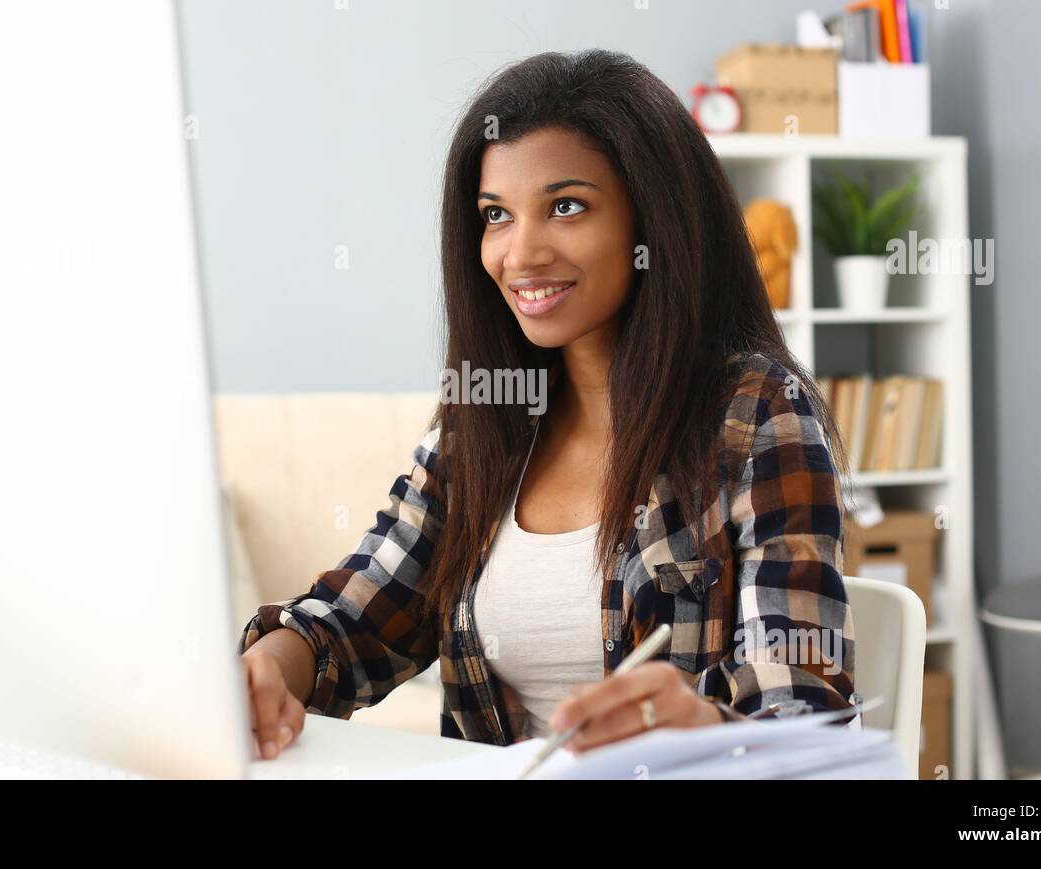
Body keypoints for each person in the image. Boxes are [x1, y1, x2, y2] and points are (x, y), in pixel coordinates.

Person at [238, 48, 856, 761]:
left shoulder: (755, 414)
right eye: (496, 215)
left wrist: (706, 732)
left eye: (566, 207)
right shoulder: (485, 419)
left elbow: (806, 725)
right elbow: (361, 616)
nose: (519, 253)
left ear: (653, 220)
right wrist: (271, 666)